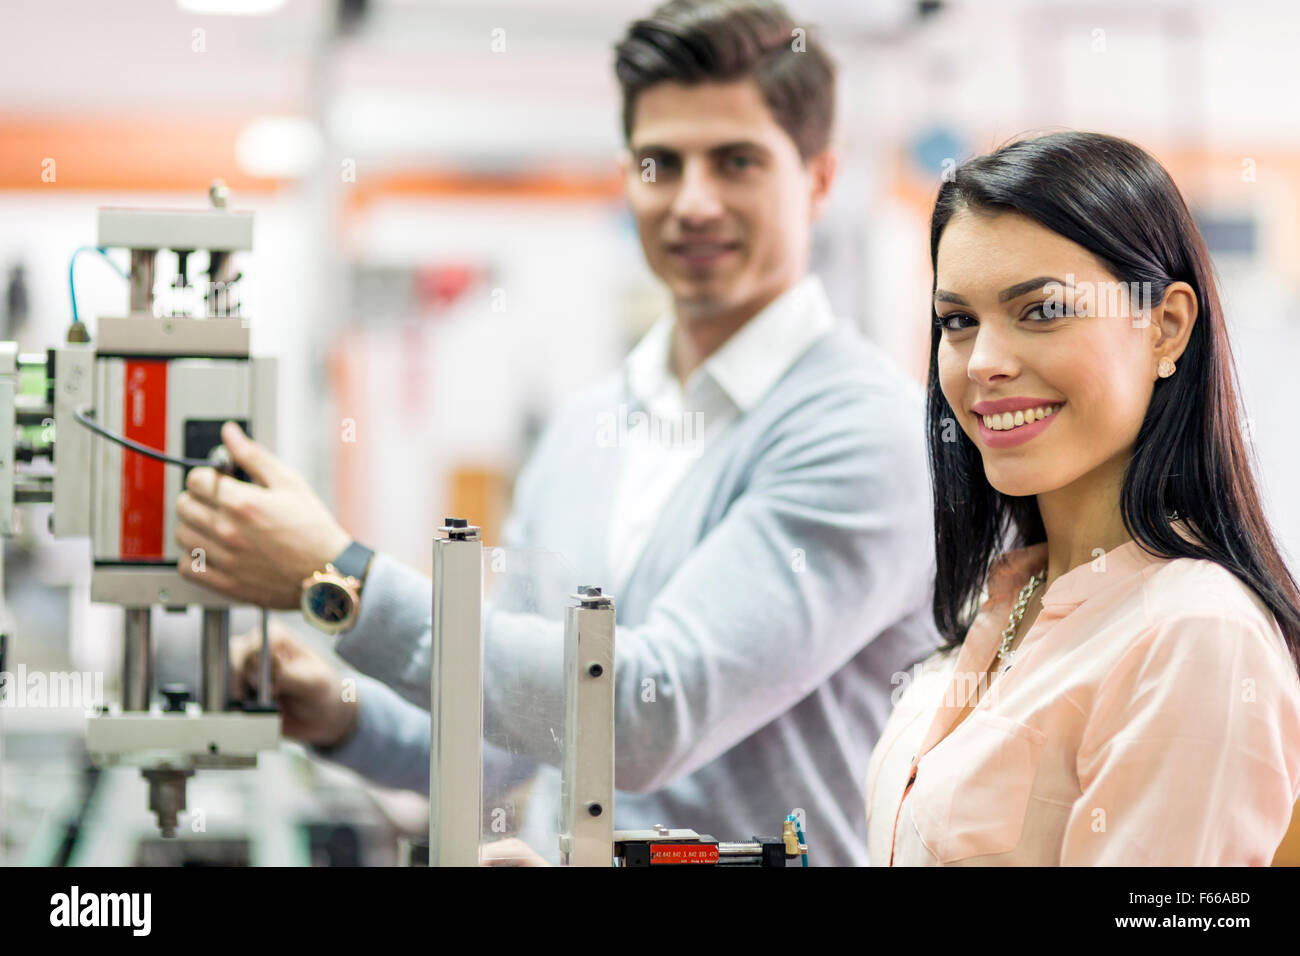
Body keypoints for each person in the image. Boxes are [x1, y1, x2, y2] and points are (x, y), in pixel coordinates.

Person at [176, 0, 940, 866]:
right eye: (663, 162)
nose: (694, 202)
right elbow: (517, 739)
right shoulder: (588, 429)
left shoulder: (864, 432)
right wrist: (342, 713)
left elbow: (647, 712)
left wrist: (339, 579)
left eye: (737, 162)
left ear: (819, 179)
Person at [866, 130, 1300, 866]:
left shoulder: (1194, 635)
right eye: (958, 321)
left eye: (1041, 311)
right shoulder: (1002, 598)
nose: (986, 364)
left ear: (1165, 328)